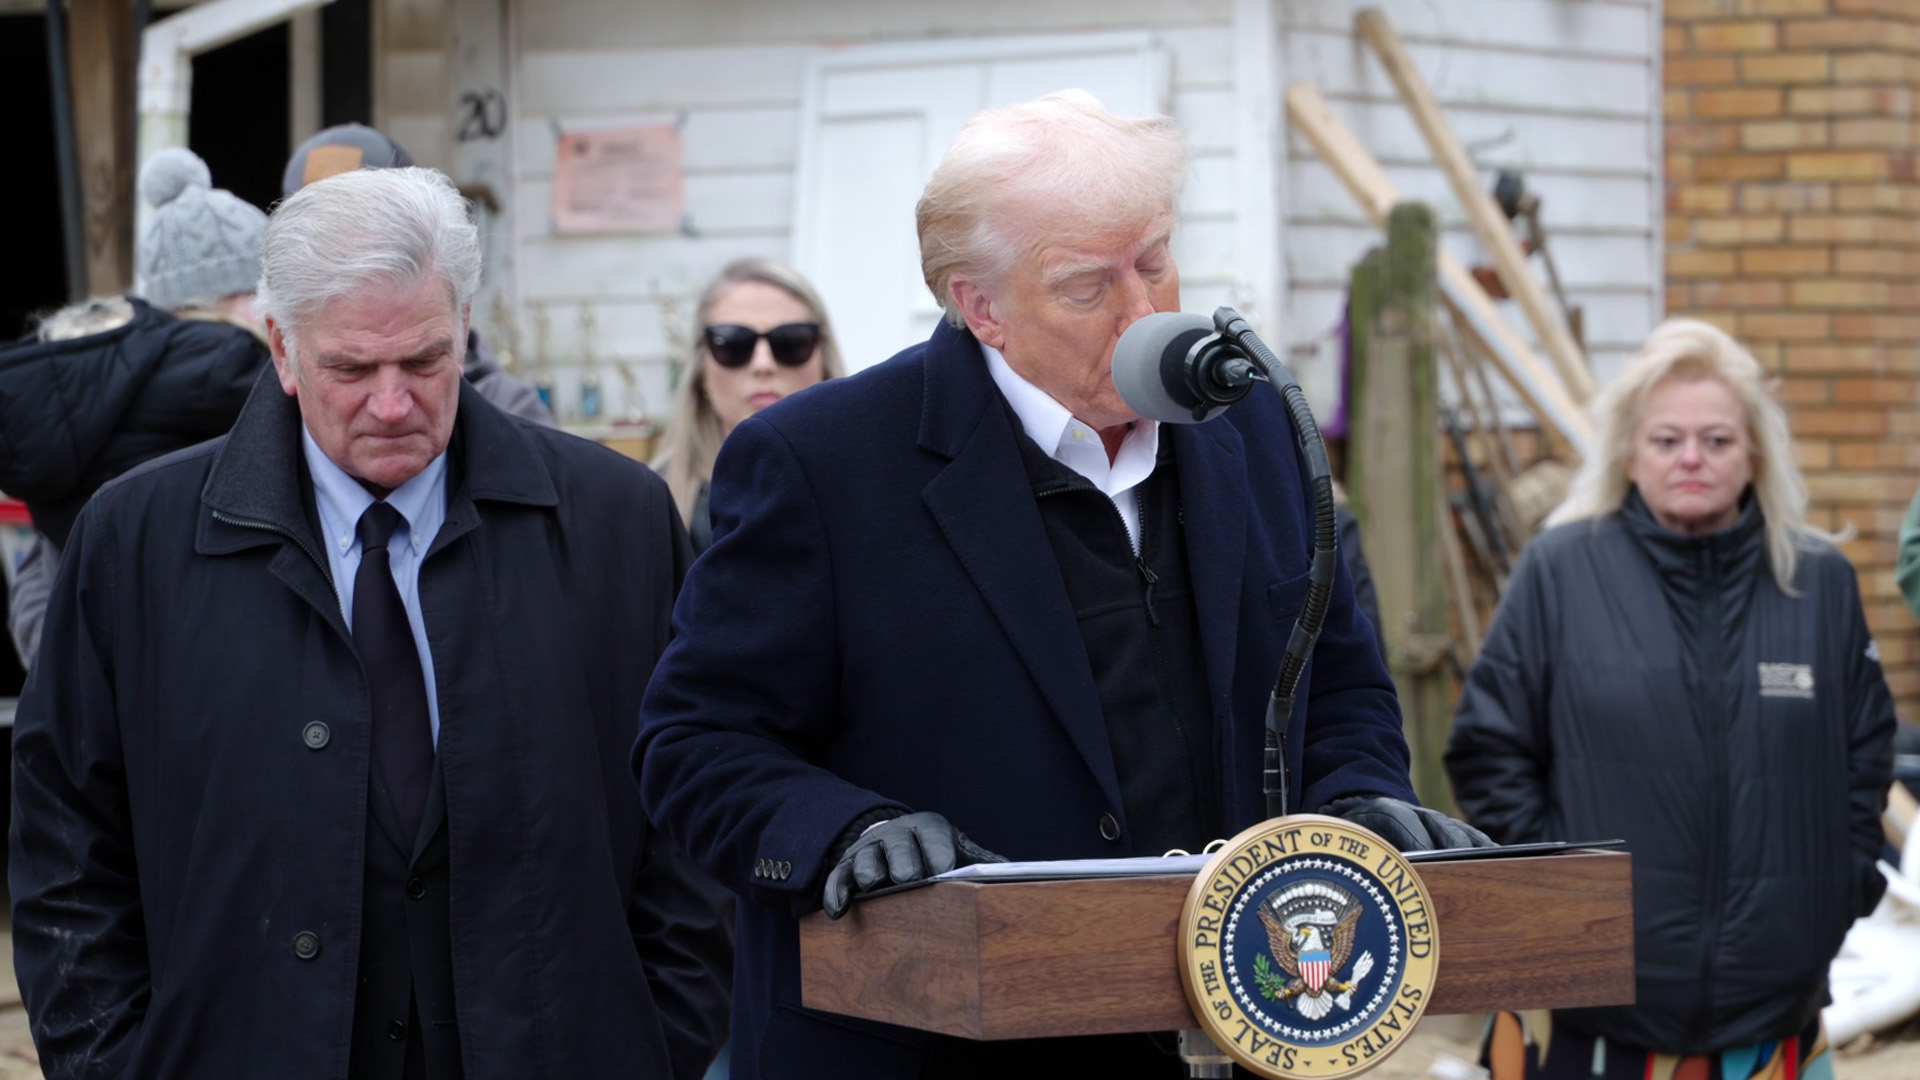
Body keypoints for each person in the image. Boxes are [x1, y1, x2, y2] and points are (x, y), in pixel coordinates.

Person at [635, 90, 1485, 1080]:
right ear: (982, 308)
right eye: (1088, 287)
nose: (1145, 313)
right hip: (933, 1044)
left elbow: (1331, 680)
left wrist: (1359, 798)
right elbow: (695, 744)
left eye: (1155, 260)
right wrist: (843, 831)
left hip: (1242, 1029)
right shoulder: (819, 462)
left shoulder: (1256, 427)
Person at [11, 166, 730, 1079]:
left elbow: (690, 804)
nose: (392, 405)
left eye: (425, 362)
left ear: (463, 326)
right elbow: (67, 848)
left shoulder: (614, 521)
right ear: (281, 348)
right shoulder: (133, 540)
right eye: (350, 369)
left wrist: (652, 1046)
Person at [1444, 318, 1895, 1080]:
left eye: (1717, 440)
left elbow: (1866, 753)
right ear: (1629, 452)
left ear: (1754, 454)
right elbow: (1489, 750)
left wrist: (1836, 893)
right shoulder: (1559, 570)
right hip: (1589, 1014)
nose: (1691, 457)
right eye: (1666, 440)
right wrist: (1559, 901)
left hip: (1772, 1013)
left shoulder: (1817, 582)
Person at [0, 148, 270, 671]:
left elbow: (41, 589)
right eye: (260, 288)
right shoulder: (242, 378)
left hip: (94, 681)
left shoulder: (88, 400)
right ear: (231, 296)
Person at [284, 122, 554, 427]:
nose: (390, 408)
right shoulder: (263, 406)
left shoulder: (506, 411)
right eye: (315, 241)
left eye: (421, 361)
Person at [652, 257, 844, 553]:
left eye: (792, 341)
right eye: (733, 343)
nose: (763, 364)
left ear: (824, 361)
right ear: (701, 369)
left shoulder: (876, 488)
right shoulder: (652, 503)